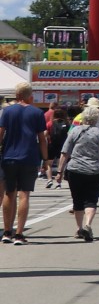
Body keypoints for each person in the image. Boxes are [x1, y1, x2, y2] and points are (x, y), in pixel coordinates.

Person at [0, 84, 46, 245]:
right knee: (24, 194)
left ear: (16, 94)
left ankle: (6, 232)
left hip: (9, 157)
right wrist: (46, 159)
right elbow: (42, 139)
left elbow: (0, 134)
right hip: (29, 157)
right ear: (30, 96)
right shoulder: (37, 112)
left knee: (9, 193)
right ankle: (19, 234)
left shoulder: (7, 111)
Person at [58, 107, 99, 242]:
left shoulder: (74, 131)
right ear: (96, 119)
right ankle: (88, 225)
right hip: (95, 170)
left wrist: (59, 171)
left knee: (77, 200)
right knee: (91, 200)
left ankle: (79, 228)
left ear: (83, 117)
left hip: (75, 170)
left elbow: (65, 152)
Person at [43, 106, 70, 189]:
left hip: (51, 145)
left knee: (48, 164)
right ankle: (59, 183)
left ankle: (49, 180)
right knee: (60, 164)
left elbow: (45, 134)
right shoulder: (67, 123)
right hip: (62, 146)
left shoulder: (50, 123)